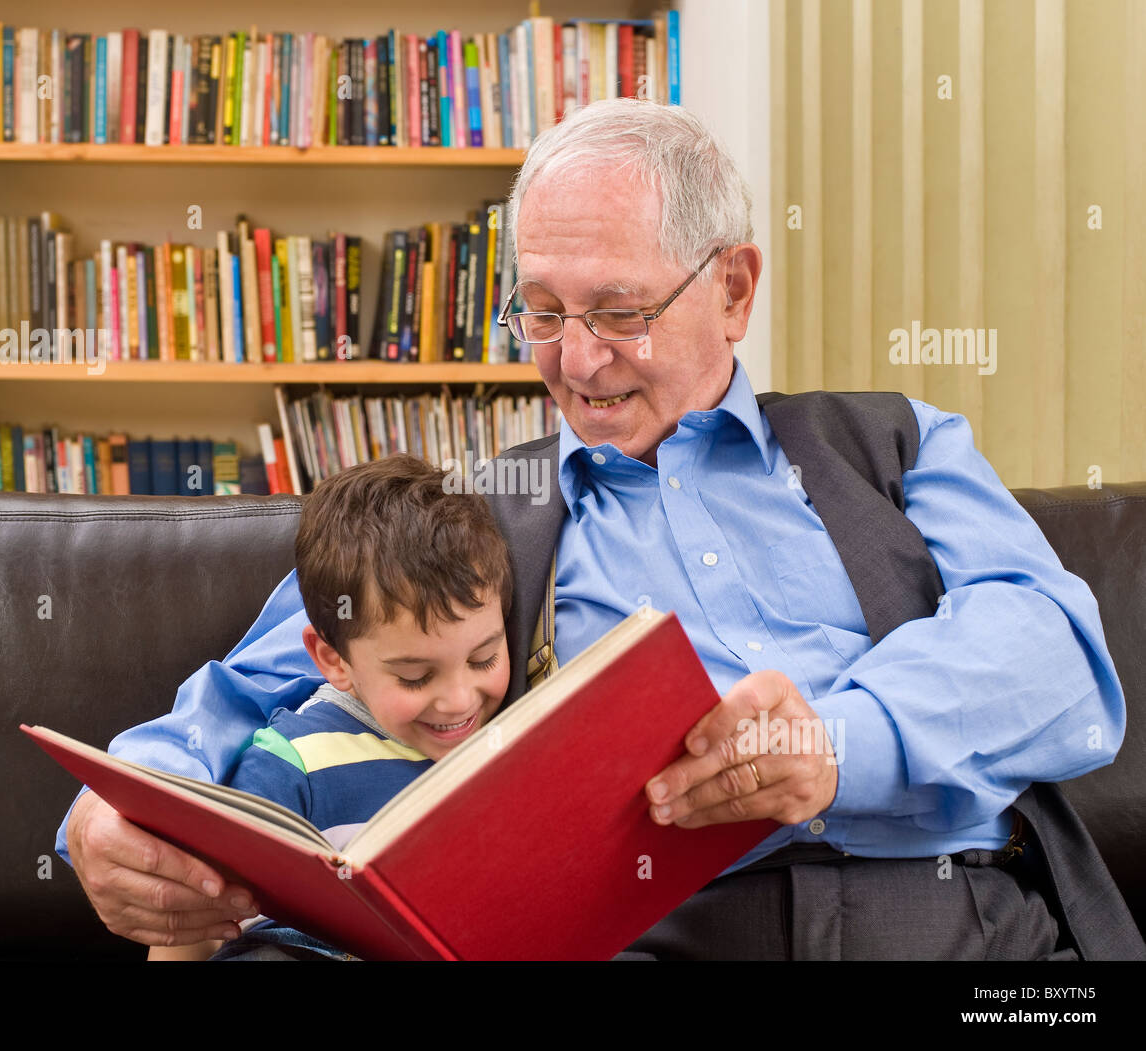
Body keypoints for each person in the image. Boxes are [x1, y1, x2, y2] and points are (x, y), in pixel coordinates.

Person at [58, 97, 1140, 960]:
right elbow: (251, 689)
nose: (574, 362)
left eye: (620, 313)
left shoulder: (896, 445)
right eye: (540, 311)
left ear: (732, 287)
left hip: (959, 921)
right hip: (646, 934)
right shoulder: (463, 515)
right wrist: (109, 817)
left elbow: (1054, 658)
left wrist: (835, 744)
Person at [147, 454, 513, 960]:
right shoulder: (291, 760)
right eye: (414, 676)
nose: (459, 700)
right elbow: (196, 915)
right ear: (332, 659)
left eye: (484, 657)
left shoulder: (513, 740)